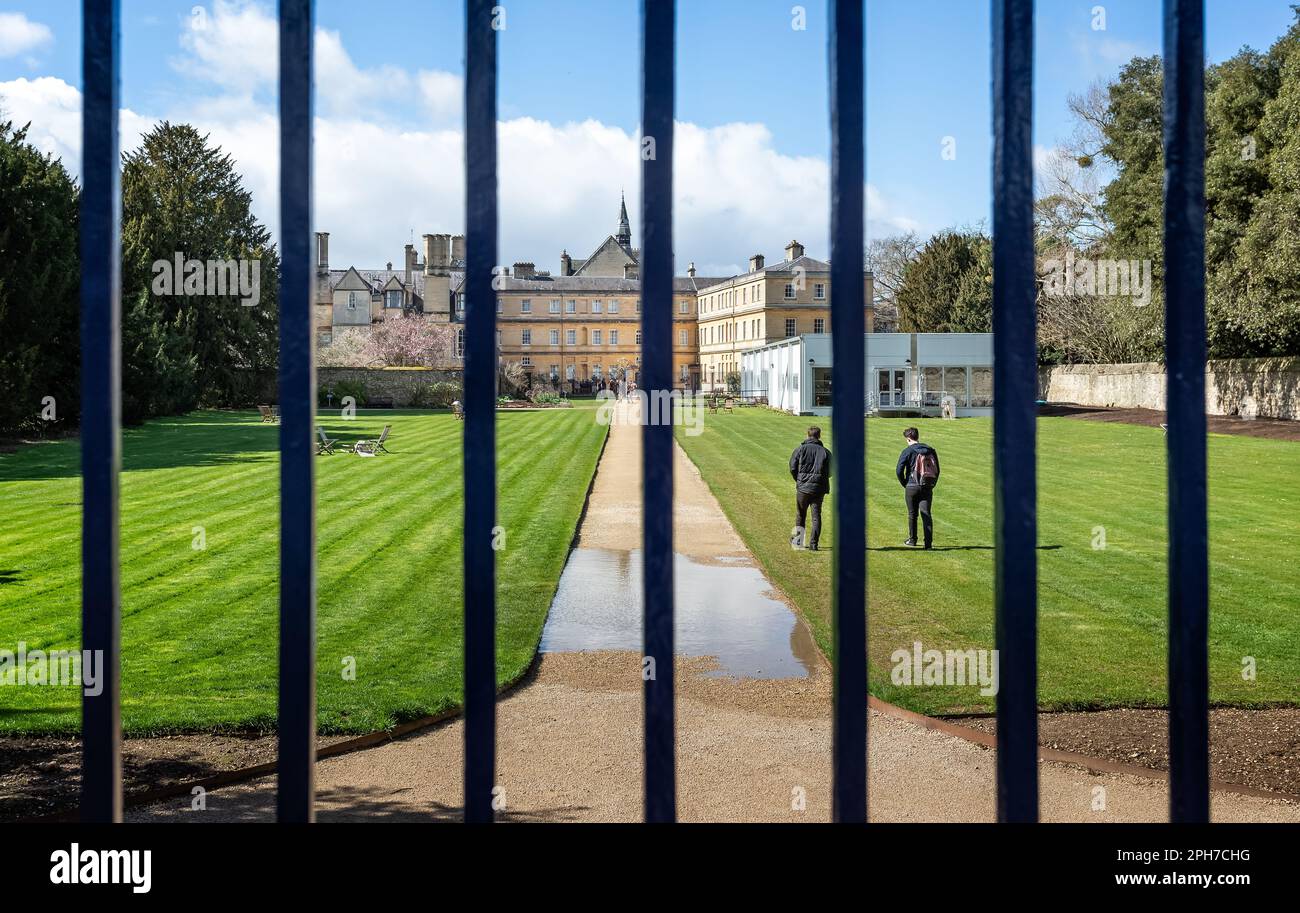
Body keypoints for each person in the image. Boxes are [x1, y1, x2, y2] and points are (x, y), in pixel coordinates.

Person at [896, 426, 940, 548]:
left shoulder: (907, 451)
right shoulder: (930, 450)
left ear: (909, 438)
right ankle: (928, 544)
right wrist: (932, 483)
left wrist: (905, 483)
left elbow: (899, 470)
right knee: (926, 513)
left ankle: (912, 540)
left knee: (912, 514)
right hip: (927, 485)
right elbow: (937, 470)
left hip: (911, 485)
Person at [789, 426, 832, 551]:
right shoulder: (825, 452)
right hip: (819, 488)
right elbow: (832, 470)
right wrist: (821, 478)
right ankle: (814, 544)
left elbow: (792, 467)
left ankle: (798, 542)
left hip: (803, 488)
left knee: (800, 515)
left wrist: (799, 479)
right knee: (816, 516)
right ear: (819, 436)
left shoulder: (800, 449)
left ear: (808, 435)